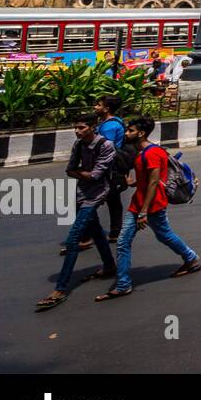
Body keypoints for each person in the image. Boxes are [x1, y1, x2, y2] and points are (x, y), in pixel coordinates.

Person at [94, 116, 200, 302]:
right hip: (140, 203)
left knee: (152, 236)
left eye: (130, 131)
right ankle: (190, 258)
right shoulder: (143, 151)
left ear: (141, 133)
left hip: (150, 205)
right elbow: (149, 181)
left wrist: (143, 212)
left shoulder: (151, 153)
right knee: (148, 237)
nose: (126, 133)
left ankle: (124, 284)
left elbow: (153, 184)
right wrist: (135, 182)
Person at [37, 116, 118, 310]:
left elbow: (96, 175)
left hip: (98, 194)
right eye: (75, 127)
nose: (77, 131)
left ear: (93, 128)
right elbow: (69, 169)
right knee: (97, 231)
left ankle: (61, 288)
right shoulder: (79, 144)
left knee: (73, 240)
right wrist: (84, 174)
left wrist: (82, 173)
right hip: (82, 192)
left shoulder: (106, 146)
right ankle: (109, 265)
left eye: (81, 127)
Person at [94, 95, 125, 243]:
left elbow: (106, 148)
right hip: (112, 167)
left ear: (106, 109)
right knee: (113, 201)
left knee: (86, 202)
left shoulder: (109, 126)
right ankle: (115, 231)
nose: (95, 107)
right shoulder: (114, 122)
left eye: (98, 105)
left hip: (107, 168)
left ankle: (86, 234)